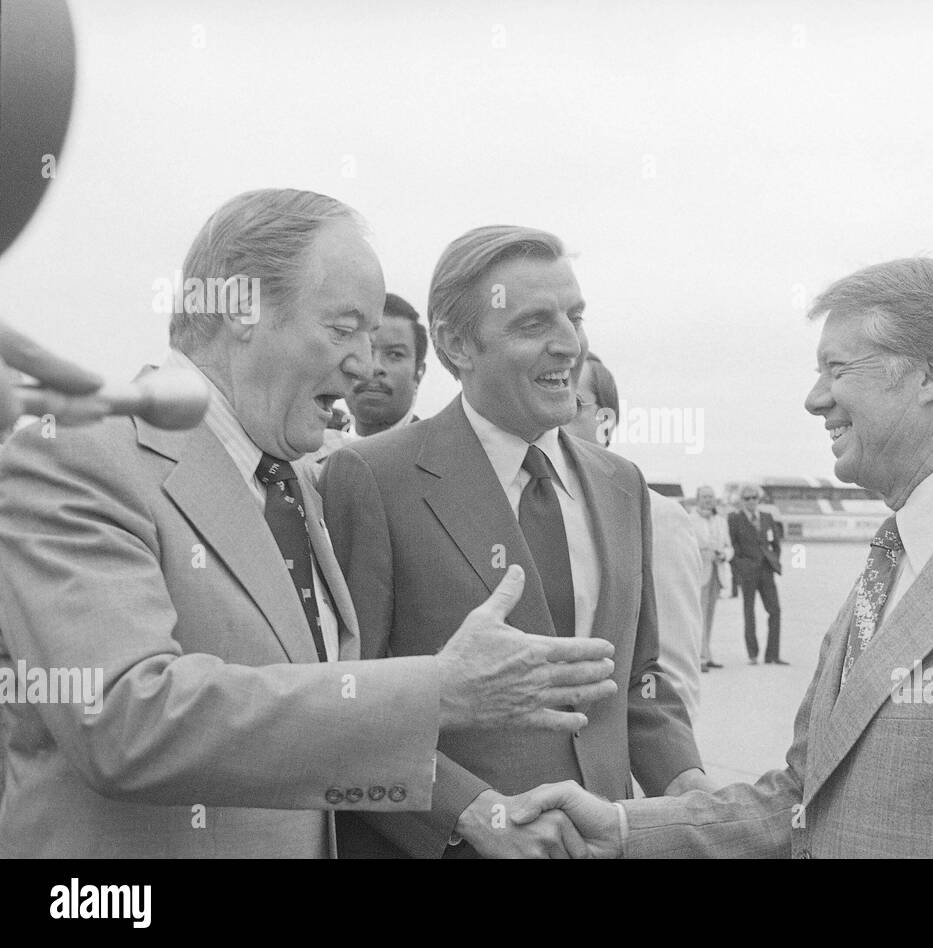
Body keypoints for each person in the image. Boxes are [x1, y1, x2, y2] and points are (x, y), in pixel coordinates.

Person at [0, 190, 617, 858]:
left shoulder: (294, 483)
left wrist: (474, 811)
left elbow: (318, 729)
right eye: (343, 328)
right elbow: (122, 719)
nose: (364, 362)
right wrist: (436, 691)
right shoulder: (76, 452)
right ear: (241, 310)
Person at [512, 256, 933, 858]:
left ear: (931, 375)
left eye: (837, 368)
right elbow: (803, 800)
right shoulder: (894, 560)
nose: (814, 397)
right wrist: (624, 830)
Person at [318, 225, 706, 859]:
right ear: (455, 344)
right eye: (534, 325)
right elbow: (350, 705)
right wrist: (474, 815)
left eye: (575, 318)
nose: (569, 345)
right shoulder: (370, 478)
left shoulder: (621, 484)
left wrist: (690, 790)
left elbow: (639, 686)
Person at [564, 352, 704, 721]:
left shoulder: (658, 518)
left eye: (573, 403)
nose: (555, 418)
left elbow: (671, 683)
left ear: (606, 422)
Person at [305, 292, 426, 470]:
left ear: (419, 373)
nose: (374, 367)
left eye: (395, 354)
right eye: (367, 349)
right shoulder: (307, 455)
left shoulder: (441, 461)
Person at [729, 485, 786, 664]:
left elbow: (776, 544)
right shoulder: (734, 519)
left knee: (775, 611)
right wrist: (741, 566)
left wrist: (773, 560)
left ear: (758, 499)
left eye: (754, 497)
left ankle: (772, 655)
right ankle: (752, 655)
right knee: (749, 612)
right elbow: (732, 546)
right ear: (741, 501)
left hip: (766, 570)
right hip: (747, 572)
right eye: (747, 498)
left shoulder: (767, 517)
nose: (751, 501)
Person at [690, 486, 732, 672]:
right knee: (699, 617)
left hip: (717, 573)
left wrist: (724, 555)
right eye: (705, 496)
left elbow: (729, 547)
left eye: (711, 497)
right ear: (697, 499)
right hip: (699, 573)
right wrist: (704, 552)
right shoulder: (690, 520)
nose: (708, 500)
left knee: (710, 616)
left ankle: (707, 654)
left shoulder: (721, 521)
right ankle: (698, 657)